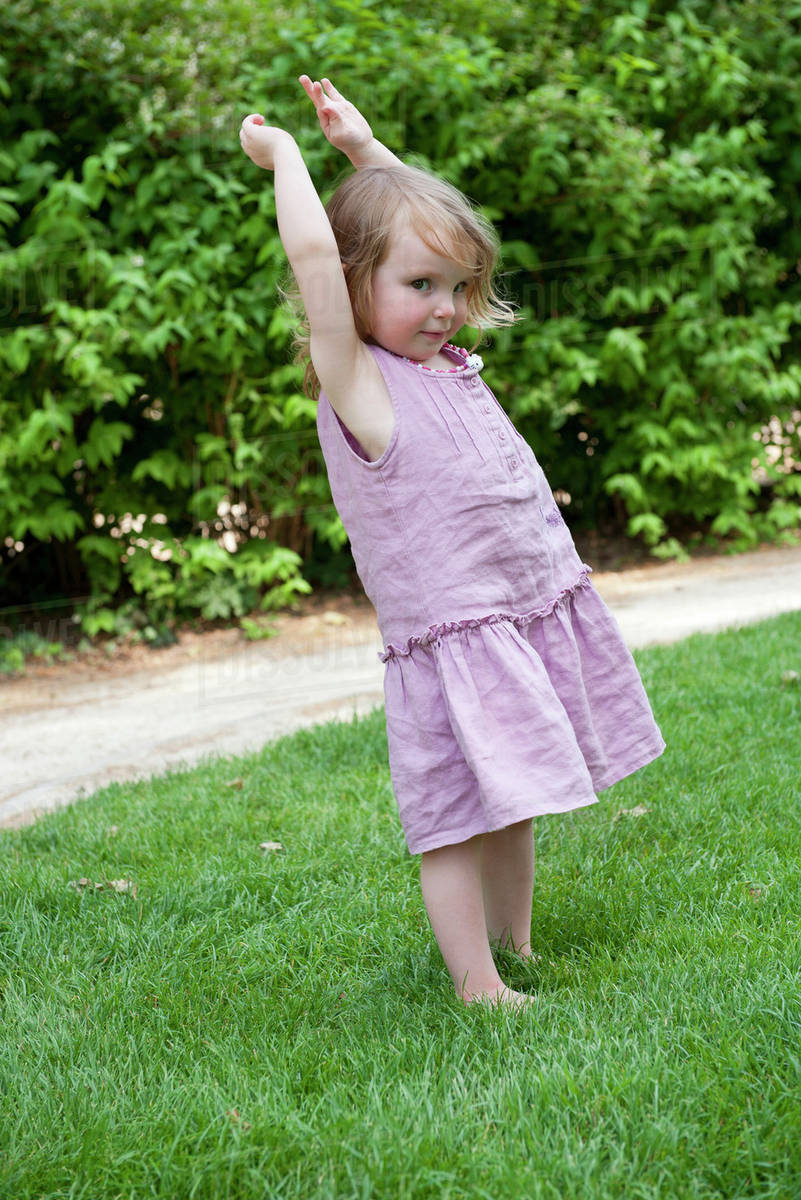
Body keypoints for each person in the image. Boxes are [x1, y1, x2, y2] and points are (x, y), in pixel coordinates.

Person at [239, 77, 665, 1008]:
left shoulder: (441, 361)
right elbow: (320, 254)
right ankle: (476, 985)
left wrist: (366, 150)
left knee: (517, 802)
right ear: (354, 288)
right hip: (452, 638)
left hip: (513, 613)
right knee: (459, 820)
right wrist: (290, 161)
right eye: (419, 289)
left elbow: (418, 227)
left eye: (457, 287)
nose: (443, 306)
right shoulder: (359, 381)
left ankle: (514, 951)